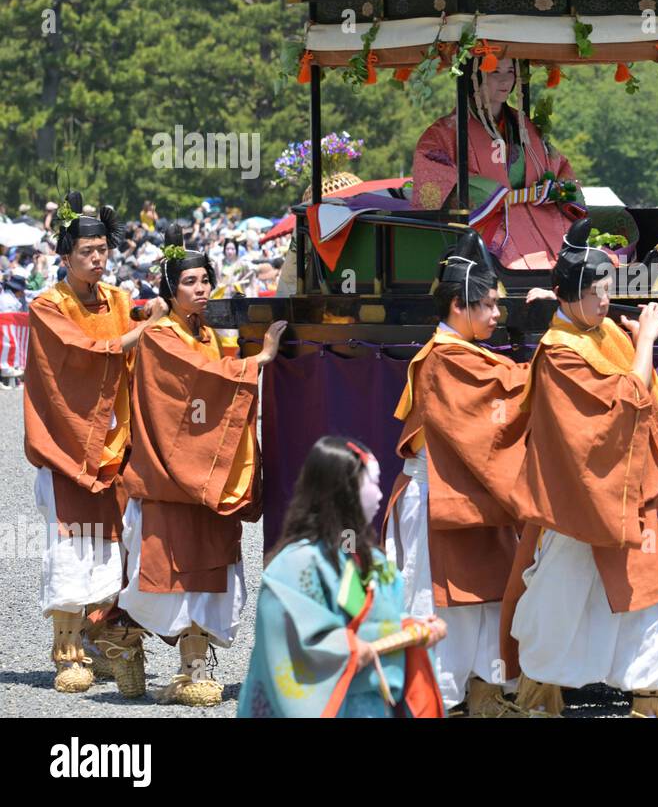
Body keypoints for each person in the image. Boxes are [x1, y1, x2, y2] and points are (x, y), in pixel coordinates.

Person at [500, 219, 658, 717]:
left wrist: (635, 345)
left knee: (645, 599)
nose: (605, 302)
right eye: (596, 293)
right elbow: (624, 401)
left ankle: (645, 700)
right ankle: (540, 699)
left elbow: (647, 400)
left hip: (627, 494)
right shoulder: (560, 350)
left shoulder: (602, 333)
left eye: (607, 290)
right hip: (578, 502)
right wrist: (645, 342)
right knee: (559, 601)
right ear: (566, 295)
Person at [385, 229, 552, 716]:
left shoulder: (462, 355)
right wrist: (558, 334)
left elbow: (508, 388)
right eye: (491, 306)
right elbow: (511, 390)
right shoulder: (444, 359)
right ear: (459, 305)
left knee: (484, 600)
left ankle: (484, 693)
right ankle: (437, 701)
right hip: (435, 499)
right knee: (441, 610)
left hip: (465, 495)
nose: (498, 316)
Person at [117, 225, 286, 705]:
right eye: (190, 282)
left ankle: (193, 667)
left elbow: (219, 378)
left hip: (208, 472)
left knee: (209, 566)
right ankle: (124, 646)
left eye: (205, 280)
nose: (201, 289)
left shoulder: (210, 334)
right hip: (171, 475)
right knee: (167, 572)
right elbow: (199, 383)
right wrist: (259, 362)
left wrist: (247, 360)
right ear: (170, 290)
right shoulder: (158, 335)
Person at [23, 191, 168, 695]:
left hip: (115, 442)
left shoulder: (121, 301)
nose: (98, 258)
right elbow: (81, 351)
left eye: (103, 249)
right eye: (87, 251)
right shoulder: (47, 304)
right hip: (67, 445)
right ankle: (65, 651)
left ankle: (104, 638)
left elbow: (147, 337)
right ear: (65, 257)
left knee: (114, 546)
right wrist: (141, 330)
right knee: (70, 546)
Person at [240, 437, 448, 717]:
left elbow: (379, 621)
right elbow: (292, 646)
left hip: (374, 705)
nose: (379, 494)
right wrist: (353, 647)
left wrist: (413, 628)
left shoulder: (373, 560)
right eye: (371, 483)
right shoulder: (293, 566)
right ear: (343, 491)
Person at [410, 56, 584, 269]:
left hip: (536, 217)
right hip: (484, 220)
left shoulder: (523, 126)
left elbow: (558, 167)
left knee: (576, 251)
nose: (505, 81)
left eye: (510, 72)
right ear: (473, 78)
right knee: (505, 255)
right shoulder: (443, 134)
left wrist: (553, 189)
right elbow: (435, 181)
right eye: (495, 72)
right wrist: (499, 198)